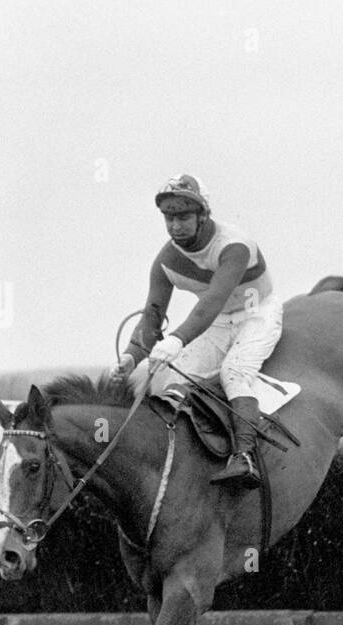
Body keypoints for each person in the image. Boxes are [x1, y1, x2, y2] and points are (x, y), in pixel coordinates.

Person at [111, 174, 282, 490]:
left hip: (257, 314)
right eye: (169, 217)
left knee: (234, 372)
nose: (175, 226)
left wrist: (176, 339)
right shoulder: (165, 260)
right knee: (169, 378)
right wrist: (131, 357)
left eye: (183, 217)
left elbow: (211, 302)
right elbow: (152, 316)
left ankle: (245, 458)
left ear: (203, 215)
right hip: (217, 322)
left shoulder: (233, 245)